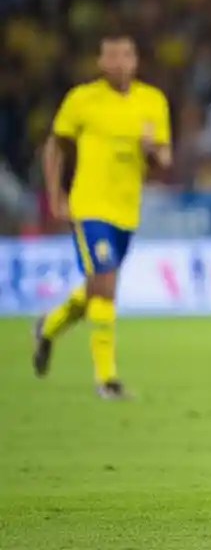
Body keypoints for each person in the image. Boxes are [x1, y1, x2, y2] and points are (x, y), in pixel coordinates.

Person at [33, 33, 172, 400]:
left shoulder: (152, 101)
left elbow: (164, 161)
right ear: (100, 62)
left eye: (125, 55)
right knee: (106, 282)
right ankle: (107, 380)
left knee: (99, 286)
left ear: (136, 60)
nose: (118, 63)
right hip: (90, 207)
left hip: (127, 211)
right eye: (111, 56)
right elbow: (55, 146)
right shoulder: (82, 100)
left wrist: (151, 150)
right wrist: (55, 194)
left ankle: (50, 325)